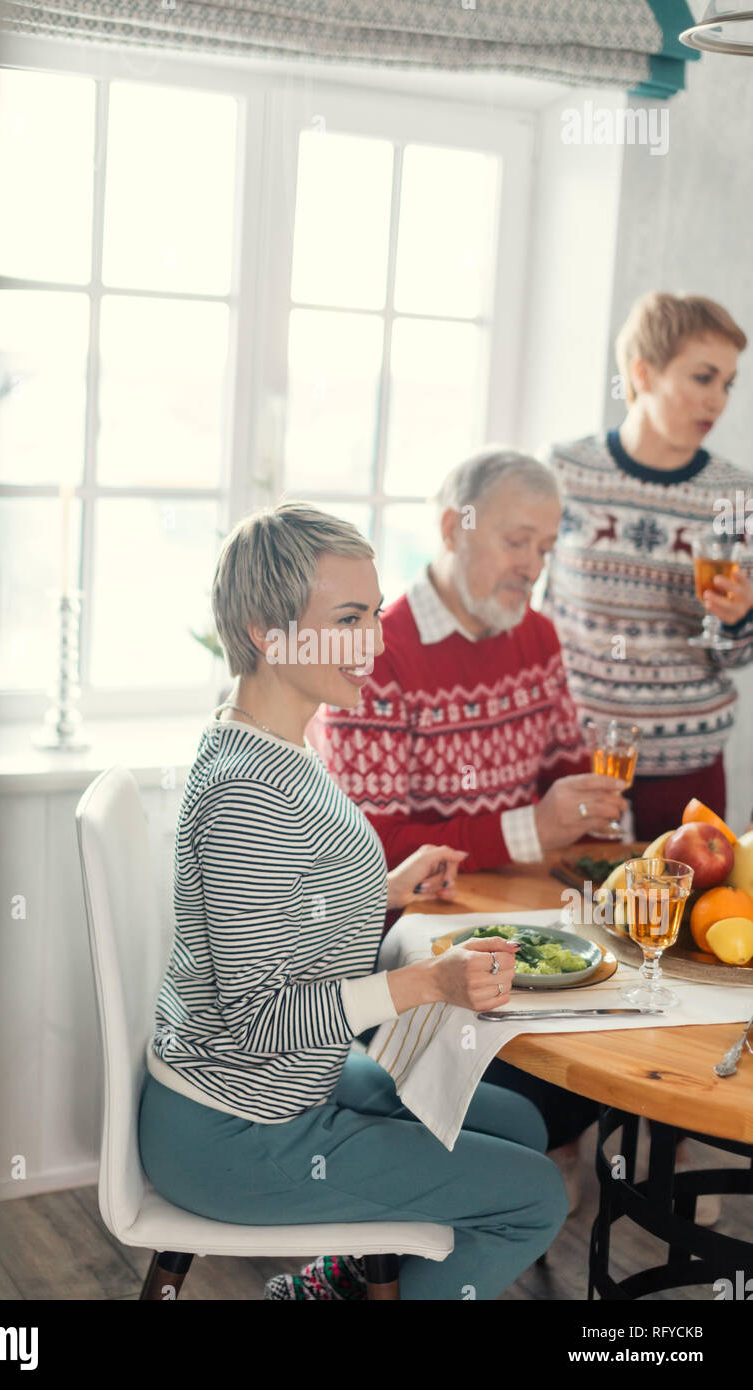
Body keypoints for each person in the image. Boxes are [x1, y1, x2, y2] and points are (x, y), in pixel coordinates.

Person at [137, 502, 567, 1302]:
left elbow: (285, 906)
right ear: (271, 634)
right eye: (347, 618)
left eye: (373, 613)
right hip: (238, 1135)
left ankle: (344, 1278)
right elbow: (259, 1022)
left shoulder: (274, 743)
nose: (373, 640)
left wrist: (384, 888)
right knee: (536, 1196)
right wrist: (429, 984)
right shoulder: (245, 796)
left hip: (289, 1090)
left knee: (521, 1127)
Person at [308, 448, 628, 876]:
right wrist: (531, 829)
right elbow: (370, 850)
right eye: (516, 542)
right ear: (453, 529)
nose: (532, 568)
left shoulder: (540, 637)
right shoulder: (373, 656)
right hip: (422, 921)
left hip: (521, 900)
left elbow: (571, 788)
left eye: (545, 549)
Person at [541, 292, 753, 843]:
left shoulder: (736, 493)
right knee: (566, 917)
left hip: (688, 760)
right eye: (703, 377)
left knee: (679, 923)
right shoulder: (566, 470)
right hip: (576, 757)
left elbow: (737, 655)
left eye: (728, 383)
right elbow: (529, 607)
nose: (719, 400)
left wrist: (736, 621)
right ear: (643, 372)